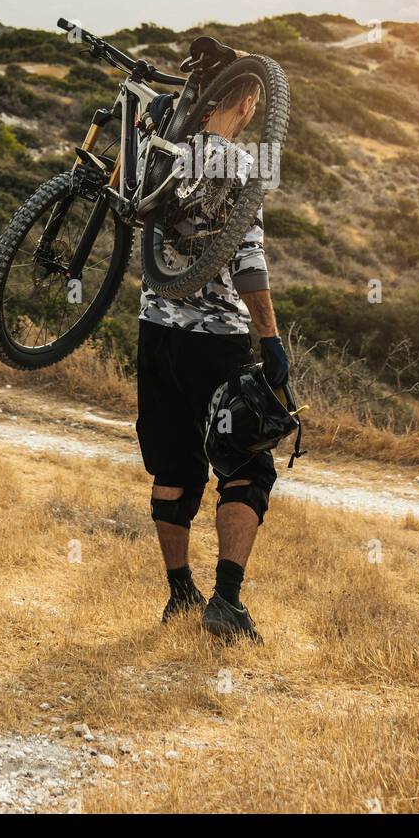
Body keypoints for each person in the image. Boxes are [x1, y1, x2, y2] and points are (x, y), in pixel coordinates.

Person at [135, 75, 289, 644]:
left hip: (155, 330)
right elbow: (249, 261)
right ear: (246, 104)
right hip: (216, 338)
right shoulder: (241, 167)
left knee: (173, 466)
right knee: (245, 464)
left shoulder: (165, 154)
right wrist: (269, 339)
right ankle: (225, 601)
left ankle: (179, 593)